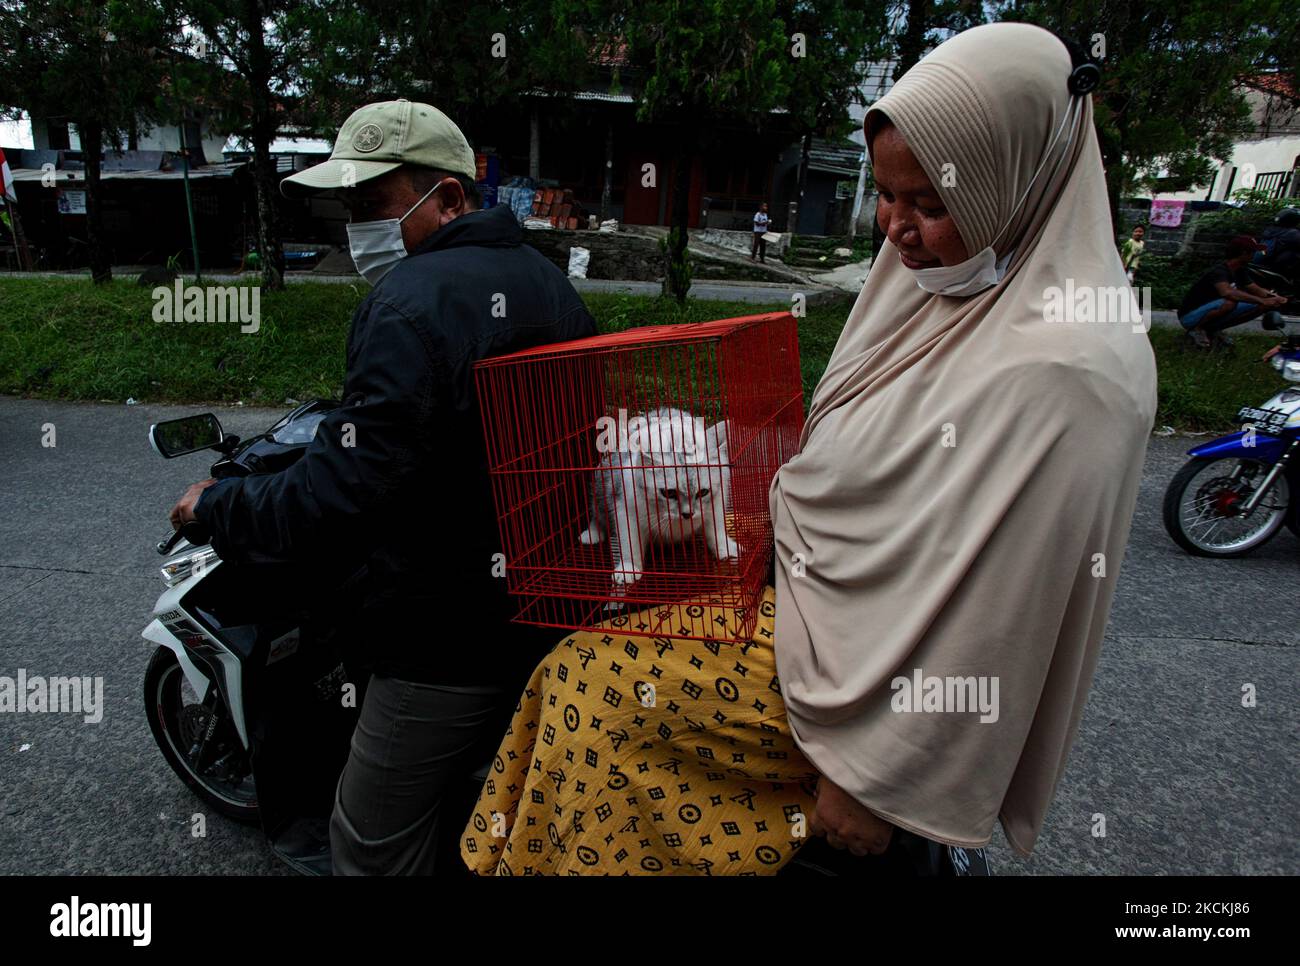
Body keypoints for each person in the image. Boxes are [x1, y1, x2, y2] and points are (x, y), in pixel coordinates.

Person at [461, 22, 1155, 875]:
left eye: (932, 205)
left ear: (1025, 180)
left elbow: (999, 619)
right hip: (807, 614)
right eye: (890, 197)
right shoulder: (938, 287)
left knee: (592, 697)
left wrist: (876, 782)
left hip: (875, 691)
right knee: (569, 666)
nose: (896, 231)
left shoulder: (1073, 370)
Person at [168, 99, 597, 875]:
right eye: (350, 205)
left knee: (366, 842)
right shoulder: (547, 284)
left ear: (451, 198)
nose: (357, 225)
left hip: (444, 635)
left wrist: (219, 506)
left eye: (374, 203)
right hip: (544, 601)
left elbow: (338, 494)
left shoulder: (405, 304)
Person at [1177, 235, 1287, 348]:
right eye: (1252, 252)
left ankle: (1214, 329)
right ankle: (1197, 329)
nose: (1254, 255)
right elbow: (1227, 292)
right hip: (1189, 316)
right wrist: (1262, 300)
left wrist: (1274, 297)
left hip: (1211, 309)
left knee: (1261, 307)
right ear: (1244, 253)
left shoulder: (1240, 270)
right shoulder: (1219, 271)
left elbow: (1255, 289)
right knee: (1230, 302)